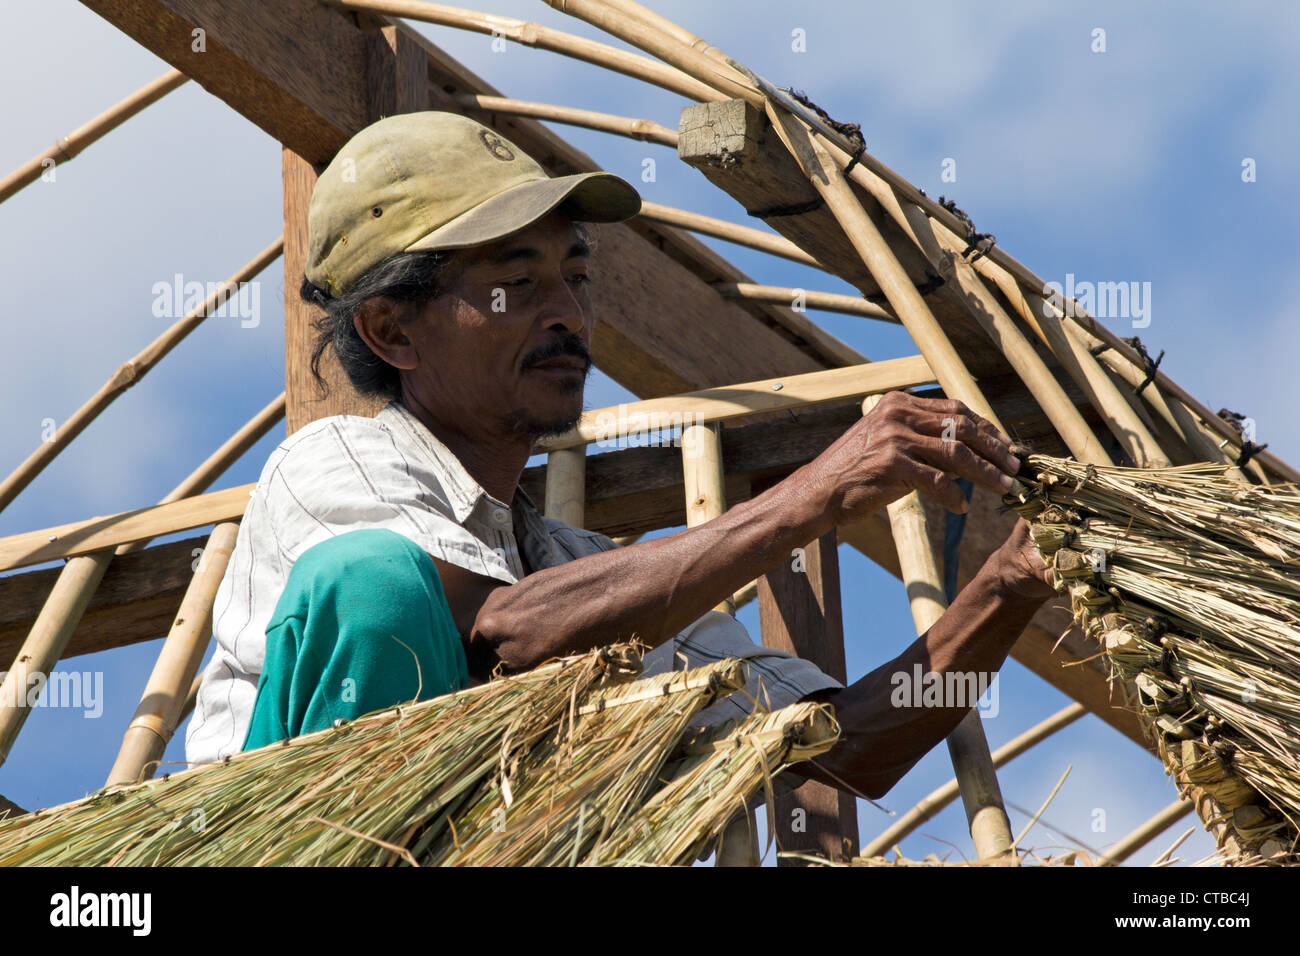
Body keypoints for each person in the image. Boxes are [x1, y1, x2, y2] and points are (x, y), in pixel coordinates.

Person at [185, 112, 1056, 804]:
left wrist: (1007, 584)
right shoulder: (332, 463)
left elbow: (847, 747)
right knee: (373, 580)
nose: (566, 311)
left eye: (577, 276)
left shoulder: (589, 579)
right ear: (391, 330)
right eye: (516, 285)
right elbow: (511, 634)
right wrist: (816, 492)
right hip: (286, 835)